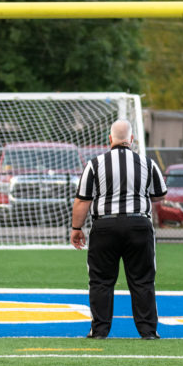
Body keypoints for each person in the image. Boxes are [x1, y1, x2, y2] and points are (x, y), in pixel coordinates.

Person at [70, 119, 167, 340]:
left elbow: (82, 201)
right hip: (139, 224)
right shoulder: (147, 163)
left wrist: (76, 228)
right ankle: (148, 331)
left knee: (101, 280)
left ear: (109, 139)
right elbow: (160, 193)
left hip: (105, 225)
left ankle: (100, 330)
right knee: (142, 280)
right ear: (131, 140)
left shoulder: (95, 163)